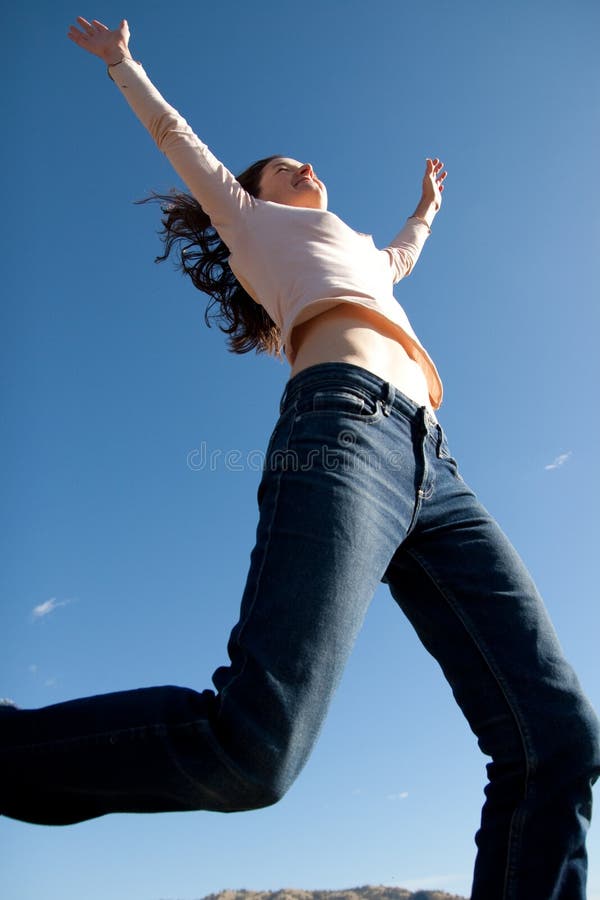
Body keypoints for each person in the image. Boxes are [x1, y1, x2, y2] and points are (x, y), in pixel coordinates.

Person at [1, 15, 598, 900]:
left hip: (439, 466)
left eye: (305, 162)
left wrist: (428, 207)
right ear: (254, 192)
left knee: (561, 740)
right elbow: (177, 138)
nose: (304, 166)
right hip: (343, 429)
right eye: (284, 166)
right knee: (254, 748)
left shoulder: (361, 253)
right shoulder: (248, 222)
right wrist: (124, 65)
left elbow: (403, 253)